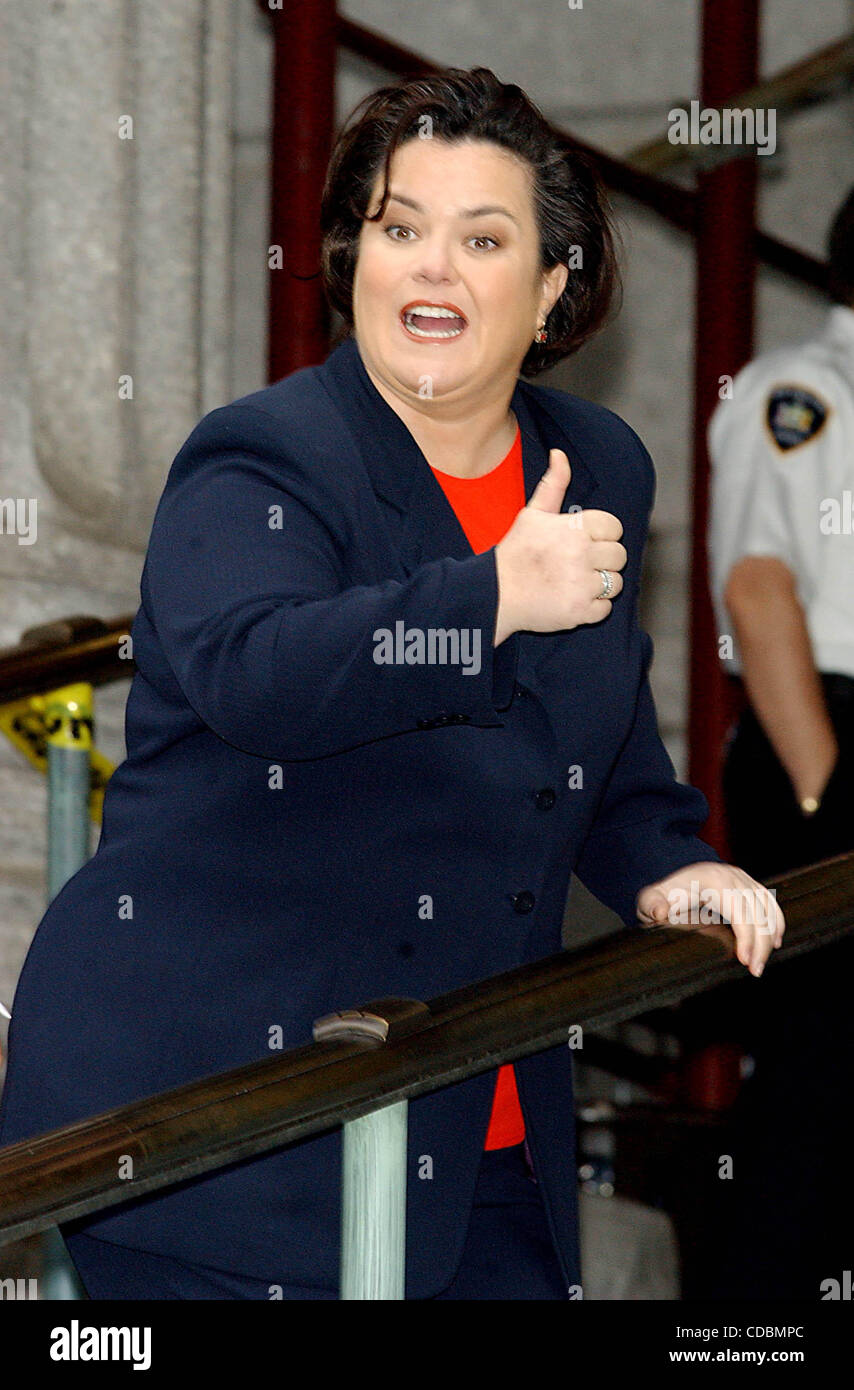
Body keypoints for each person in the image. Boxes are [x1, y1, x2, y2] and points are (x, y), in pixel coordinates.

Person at [0, 66, 783, 1301]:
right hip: (228, 1128)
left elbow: (598, 737)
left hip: (477, 1122)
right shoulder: (262, 457)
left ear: (549, 289)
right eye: (399, 228)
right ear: (350, 261)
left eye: (482, 239)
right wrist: (489, 600)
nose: (431, 268)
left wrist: (663, 861)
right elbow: (261, 673)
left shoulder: (596, 464)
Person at [705, 187, 854, 1298]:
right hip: (827, 731)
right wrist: (827, 799)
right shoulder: (804, 394)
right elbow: (758, 592)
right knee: (817, 1072)